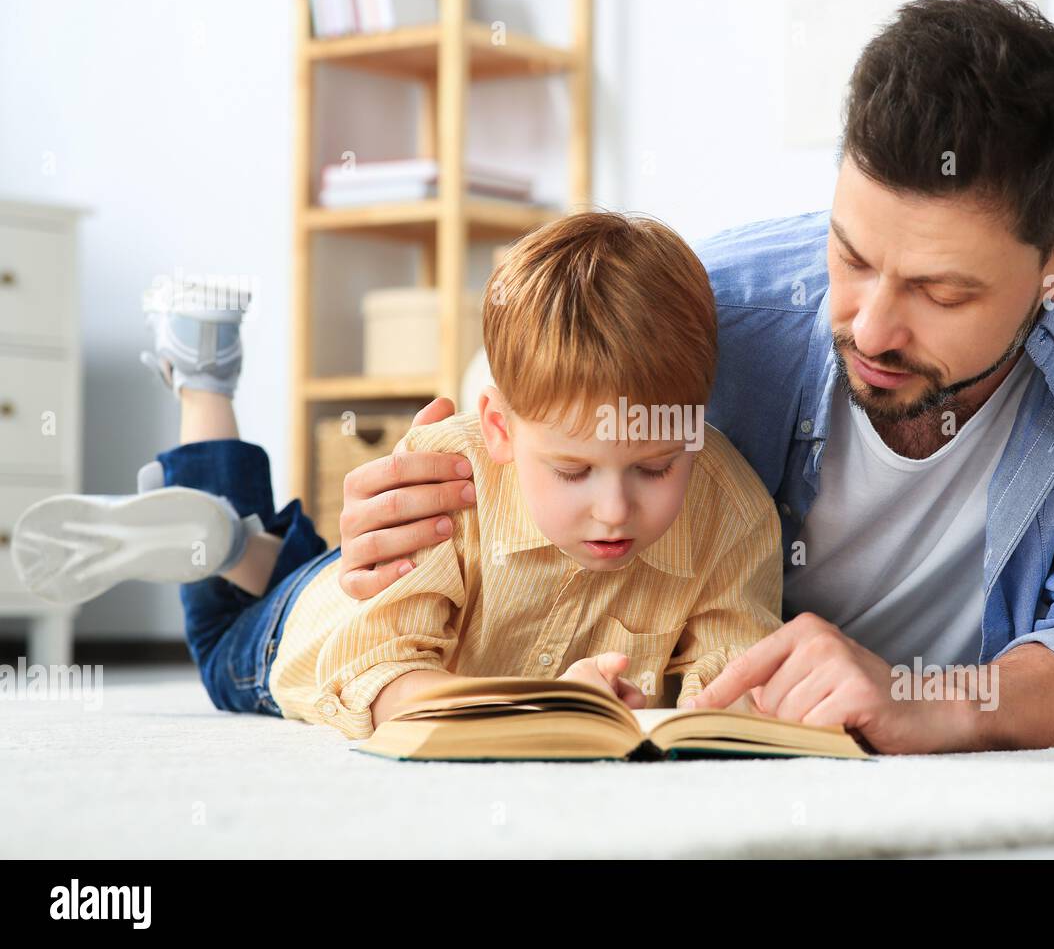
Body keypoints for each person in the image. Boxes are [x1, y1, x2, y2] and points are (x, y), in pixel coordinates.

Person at [331, 0, 1054, 753]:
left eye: (941, 292)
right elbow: (539, 420)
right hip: (464, 607)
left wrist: (930, 697)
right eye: (851, 255)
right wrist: (420, 496)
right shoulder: (731, 306)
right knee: (276, 618)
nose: (868, 327)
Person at [12, 212, 783, 741]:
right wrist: (544, 707)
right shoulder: (444, 476)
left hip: (350, 577)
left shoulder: (733, 510)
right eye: (573, 471)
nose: (614, 509)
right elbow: (388, 687)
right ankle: (205, 395)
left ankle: (233, 517)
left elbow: (731, 697)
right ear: (498, 430)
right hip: (307, 632)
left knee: (292, 560)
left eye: (654, 465)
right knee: (222, 640)